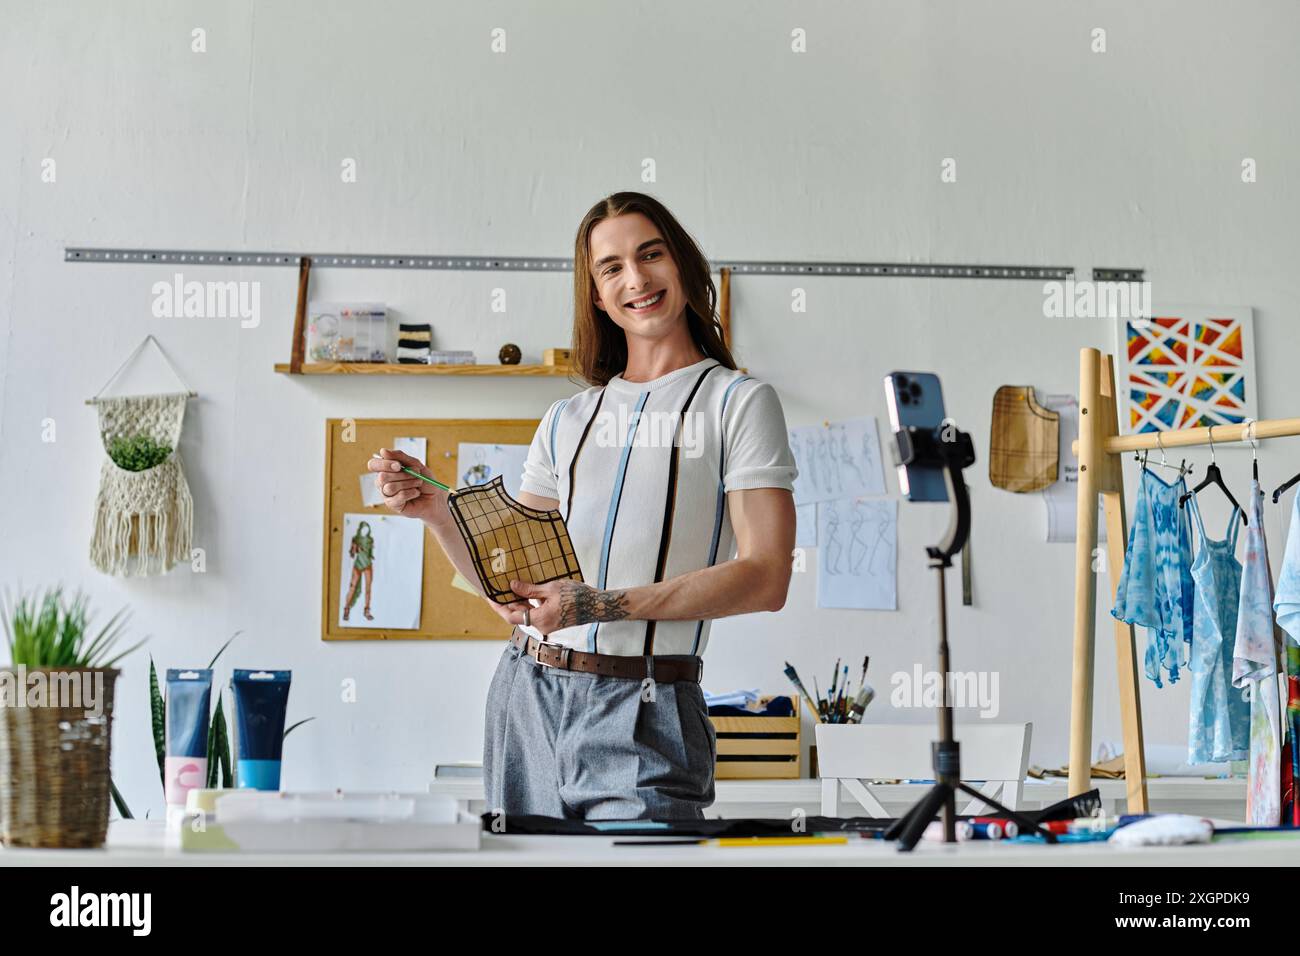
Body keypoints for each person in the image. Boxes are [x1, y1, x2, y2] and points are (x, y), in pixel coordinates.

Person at [368, 191, 797, 820]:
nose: (637, 278)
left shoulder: (738, 403)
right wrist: (436, 512)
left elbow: (767, 577)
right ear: (597, 295)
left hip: (646, 706)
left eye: (651, 254)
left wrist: (599, 604)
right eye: (612, 267)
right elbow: (512, 591)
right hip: (528, 695)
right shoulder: (568, 417)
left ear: (682, 265)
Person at [342, 520, 374, 622]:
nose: (364, 531)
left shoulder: (370, 540)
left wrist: (367, 553)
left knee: (368, 589)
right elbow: (352, 554)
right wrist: (355, 548)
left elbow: (370, 554)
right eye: (363, 529)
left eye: (366, 529)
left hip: (368, 564)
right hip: (358, 565)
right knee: (353, 587)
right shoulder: (355, 539)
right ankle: (346, 608)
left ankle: (367, 611)